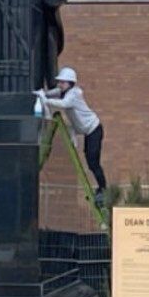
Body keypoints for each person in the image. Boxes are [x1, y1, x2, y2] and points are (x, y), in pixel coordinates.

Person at [36, 67, 107, 207]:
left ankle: (103, 189)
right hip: (84, 130)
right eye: (59, 82)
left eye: (63, 82)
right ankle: (101, 188)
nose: (60, 85)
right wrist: (40, 94)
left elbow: (64, 104)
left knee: (93, 162)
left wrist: (45, 99)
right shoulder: (63, 92)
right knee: (89, 160)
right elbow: (50, 94)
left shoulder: (74, 94)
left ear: (71, 83)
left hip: (93, 129)